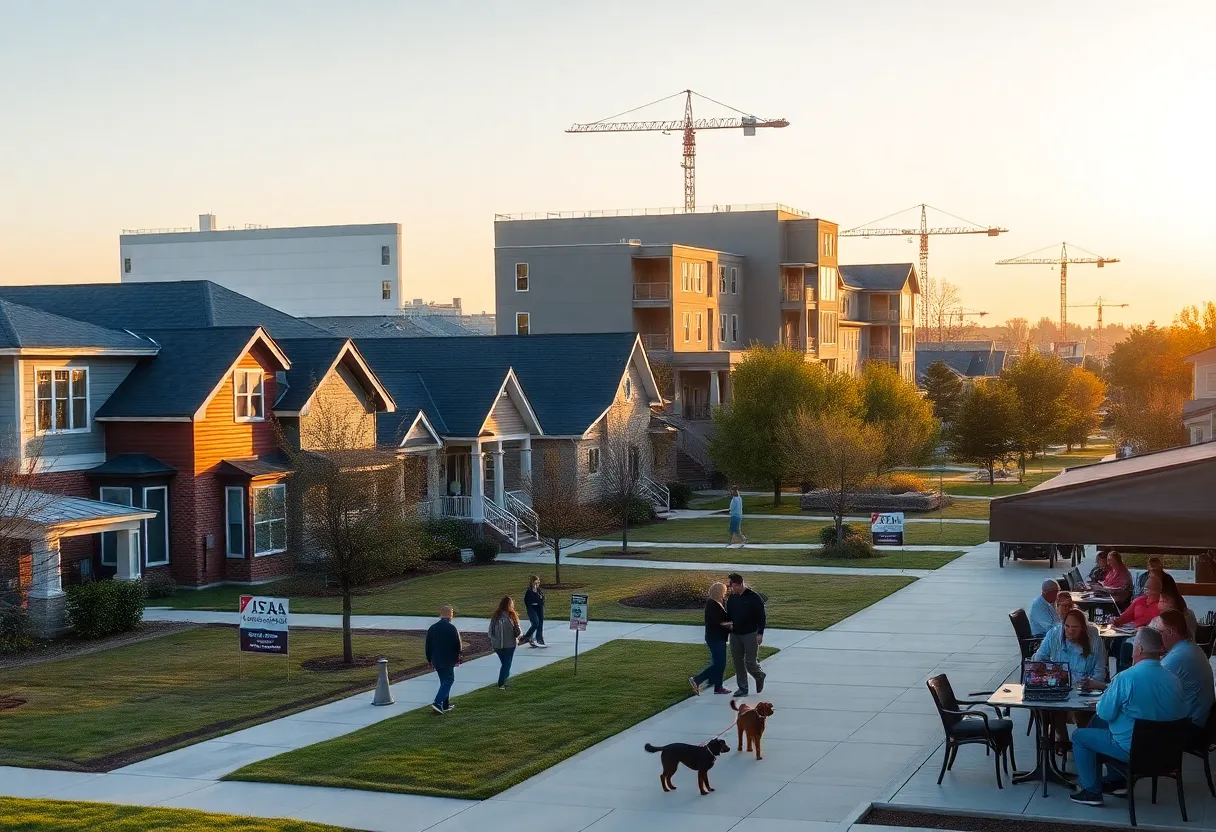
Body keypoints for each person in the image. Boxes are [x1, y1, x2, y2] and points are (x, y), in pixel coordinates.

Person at [1070, 627, 1187, 807]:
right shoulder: (1174, 680)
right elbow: (1181, 712)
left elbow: (1104, 711)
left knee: (1080, 737)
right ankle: (1117, 780)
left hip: (1132, 749)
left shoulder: (1126, 678)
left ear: (1139, 649)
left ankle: (1091, 791)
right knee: (1101, 723)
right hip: (1167, 751)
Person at [1034, 608, 1107, 745]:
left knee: (1083, 713)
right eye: (1067, 626)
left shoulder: (1095, 641)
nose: (1069, 630)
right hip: (1059, 684)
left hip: (1083, 688)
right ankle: (1061, 740)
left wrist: (1090, 682)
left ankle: (1084, 741)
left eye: (1075, 627)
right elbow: (1039, 658)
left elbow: (1100, 672)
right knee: (1050, 708)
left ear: (1083, 628)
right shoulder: (1054, 634)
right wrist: (1053, 673)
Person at [1157, 608, 1215, 744]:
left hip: (1191, 728)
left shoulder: (1178, 657)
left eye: (1160, 632)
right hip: (1200, 722)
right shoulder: (1189, 647)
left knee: (1134, 723)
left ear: (1171, 632)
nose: (1157, 637)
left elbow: (1150, 685)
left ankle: (1138, 763)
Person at [725, 572, 766, 697]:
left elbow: (761, 616)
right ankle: (743, 688)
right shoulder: (732, 597)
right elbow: (729, 614)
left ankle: (759, 676)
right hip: (735, 634)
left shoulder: (754, 597)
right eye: (731, 586)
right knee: (738, 661)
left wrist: (760, 633)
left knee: (750, 662)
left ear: (740, 584)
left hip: (750, 633)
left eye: (735, 586)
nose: (733, 589)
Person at [689, 582, 733, 695]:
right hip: (714, 638)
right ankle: (698, 680)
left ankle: (716, 686)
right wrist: (733, 626)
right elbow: (718, 622)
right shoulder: (712, 604)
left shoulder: (722, 602)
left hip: (720, 637)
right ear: (719, 591)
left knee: (719, 663)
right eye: (723, 590)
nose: (725, 592)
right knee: (720, 664)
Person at [425, 605, 462, 714]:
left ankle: (444, 705)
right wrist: (457, 656)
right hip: (448, 659)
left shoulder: (433, 628)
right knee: (449, 680)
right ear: (450, 616)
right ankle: (437, 703)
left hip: (436, 659)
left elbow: (428, 646)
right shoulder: (452, 628)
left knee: (443, 681)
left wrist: (429, 659)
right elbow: (458, 645)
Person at [489, 596, 522, 689]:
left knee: (505, 663)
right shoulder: (511, 615)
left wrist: (493, 640)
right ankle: (501, 683)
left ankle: (504, 681)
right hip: (509, 644)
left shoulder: (496, 616)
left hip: (498, 645)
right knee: (506, 664)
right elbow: (518, 630)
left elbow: (490, 631)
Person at [521, 575, 548, 648]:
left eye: (539, 581)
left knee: (540, 624)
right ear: (533, 582)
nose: (538, 582)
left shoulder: (539, 590)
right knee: (535, 623)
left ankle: (539, 639)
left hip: (539, 608)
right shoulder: (529, 591)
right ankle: (527, 636)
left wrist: (542, 599)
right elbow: (528, 600)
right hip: (532, 609)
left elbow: (542, 598)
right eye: (536, 581)